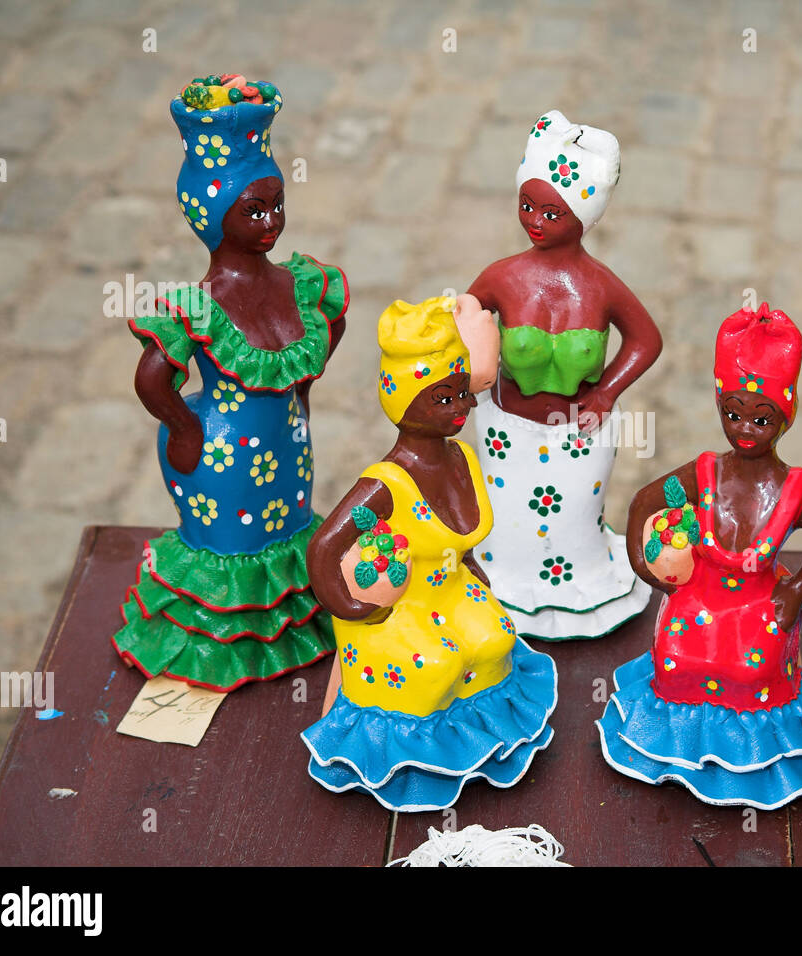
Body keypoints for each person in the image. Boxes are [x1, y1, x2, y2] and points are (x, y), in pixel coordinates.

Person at [114, 77, 345, 690]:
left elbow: (334, 320)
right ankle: (230, 647)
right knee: (232, 554)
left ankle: (282, 631)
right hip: (218, 462)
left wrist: (302, 396)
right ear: (211, 216)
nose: (272, 222)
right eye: (253, 210)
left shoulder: (300, 282)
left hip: (288, 453)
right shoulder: (198, 304)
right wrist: (184, 429)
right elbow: (152, 377)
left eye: (277, 204)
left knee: (290, 532)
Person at [597, 305, 802, 809]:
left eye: (762, 418)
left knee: (751, 669)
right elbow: (642, 503)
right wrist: (641, 561)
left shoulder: (795, 488)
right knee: (675, 659)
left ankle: (753, 750)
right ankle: (678, 741)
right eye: (732, 413)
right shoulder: (703, 473)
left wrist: (797, 589)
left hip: (761, 604)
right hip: (696, 596)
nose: (745, 428)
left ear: (786, 415)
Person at [301, 297, 557, 811]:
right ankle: (405, 753)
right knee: (437, 662)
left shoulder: (462, 456)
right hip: (398, 606)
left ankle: (482, 739)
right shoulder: (387, 483)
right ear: (403, 402)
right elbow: (324, 548)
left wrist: (472, 571)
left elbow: (457, 548)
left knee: (494, 637)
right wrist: (355, 610)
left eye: (463, 394)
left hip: (451, 591)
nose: (462, 409)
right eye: (443, 398)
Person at [465, 110, 662, 640]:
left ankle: (577, 592)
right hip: (507, 430)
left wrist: (607, 392)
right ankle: (506, 587)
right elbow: (461, 320)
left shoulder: (602, 286)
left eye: (551, 212)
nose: (534, 219)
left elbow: (647, 340)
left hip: (582, 432)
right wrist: (466, 367)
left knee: (573, 521)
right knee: (510, 528)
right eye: (527, 205)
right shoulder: (502, 278)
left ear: (585, 216)